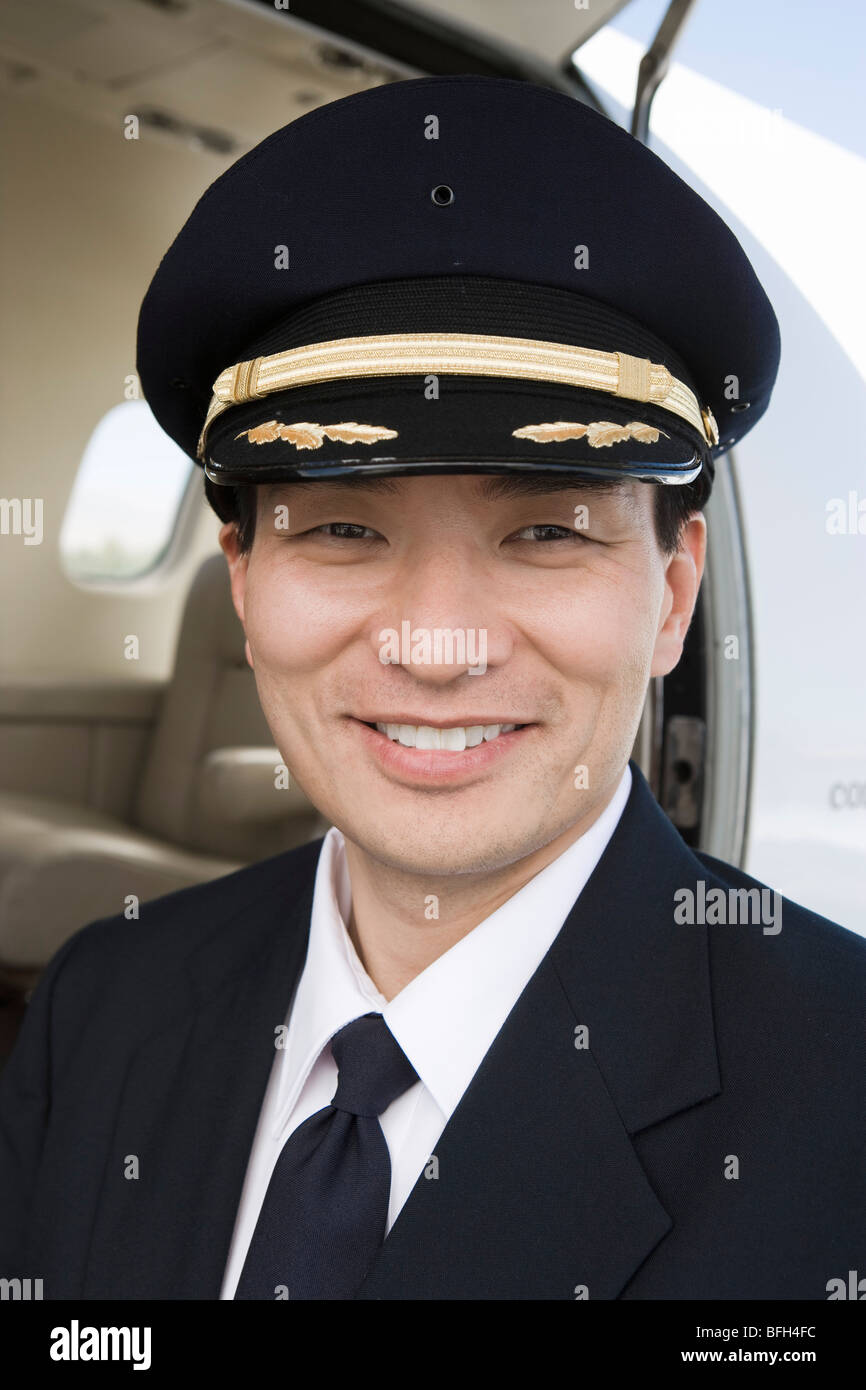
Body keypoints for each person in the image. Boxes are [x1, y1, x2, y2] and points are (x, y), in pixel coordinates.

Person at [1, 75, 863, 1302]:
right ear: (242, 581)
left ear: (671, 595)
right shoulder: (105, 1002)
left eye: (547, 533)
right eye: (344, 529)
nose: (437, 644)